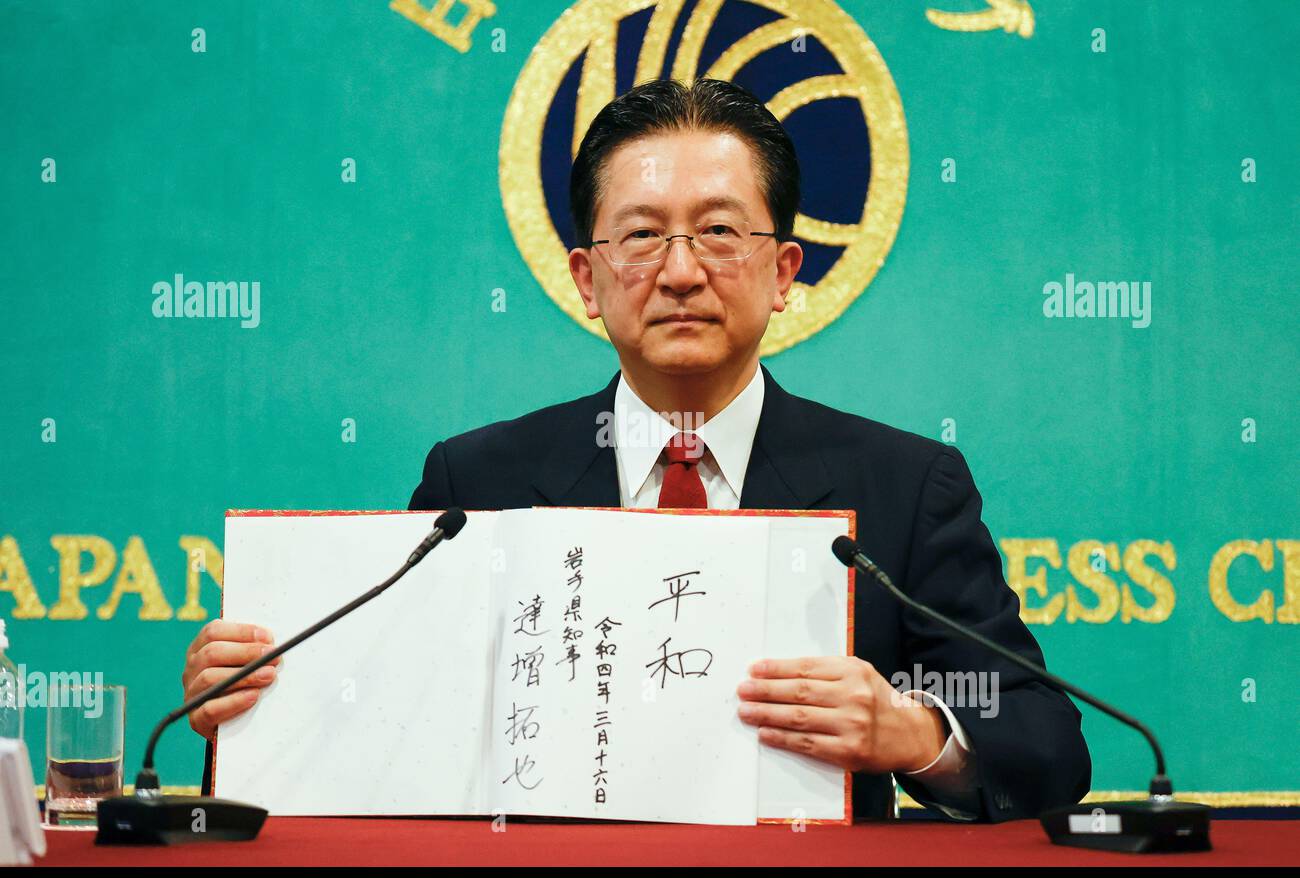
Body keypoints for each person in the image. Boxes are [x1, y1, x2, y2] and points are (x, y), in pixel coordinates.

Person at [185, 78, 1090, 821]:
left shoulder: (901, 485)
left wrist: (916, 736)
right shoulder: (479, 483)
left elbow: (1047, 745)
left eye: (722, 231)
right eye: (644, 235)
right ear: (588, 277)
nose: (683, 270)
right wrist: (263, 700)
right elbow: (397, 724)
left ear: (784, 275)